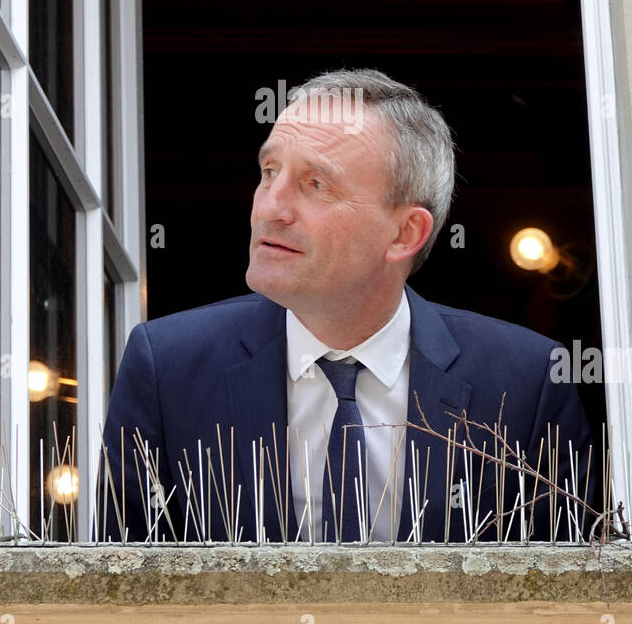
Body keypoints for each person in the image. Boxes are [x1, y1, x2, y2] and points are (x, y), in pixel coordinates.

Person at [99, 69, 598, 544]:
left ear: (406, 233)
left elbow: (567, 602)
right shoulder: (166, 365)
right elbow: (122, 597)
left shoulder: (527, 382)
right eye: (268, 171)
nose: (270, 206)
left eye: (316, 184)